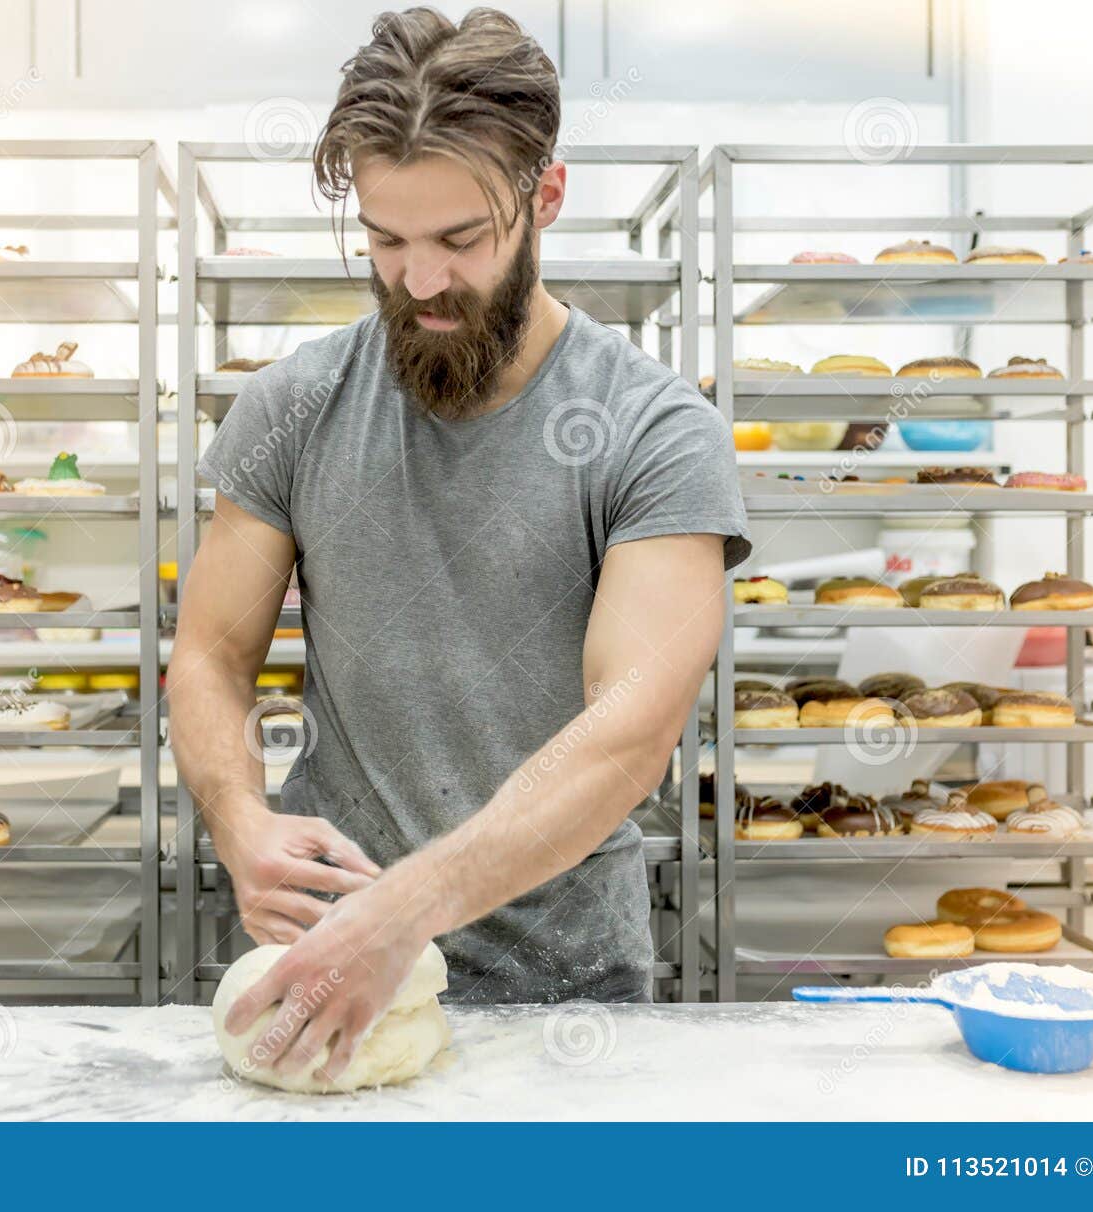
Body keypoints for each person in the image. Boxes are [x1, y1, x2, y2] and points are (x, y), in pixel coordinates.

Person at [167, 6, 749, 1084]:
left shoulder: (654, 430)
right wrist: (240, 818)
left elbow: (629, 734)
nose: (419, 280)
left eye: (459, 241)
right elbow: (209, 655)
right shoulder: (293, 407)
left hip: (565, 990)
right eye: (385, 241)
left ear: (546, 198)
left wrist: (406, 910)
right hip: (323, 967)